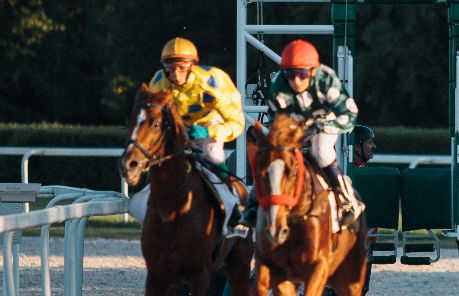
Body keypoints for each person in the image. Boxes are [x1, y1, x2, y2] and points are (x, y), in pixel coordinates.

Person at [133, 37, 246, 235]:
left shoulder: (214, 81)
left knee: (212, 155)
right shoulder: (159, 82)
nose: (176, 74)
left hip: (211, 123)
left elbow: (237, 123)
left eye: (181, 68)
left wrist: (208, 132)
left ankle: (235, 209)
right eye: (170, 68)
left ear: (192, 66)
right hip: (176, 125)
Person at [266, 39, 363, 228]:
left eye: (301, 74)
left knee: (321, 151)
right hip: (295, 123)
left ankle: (347, 201)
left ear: (312, 71)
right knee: (274, 157)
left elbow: (350, 115)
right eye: (290, 74)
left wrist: (322, 126)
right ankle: (254, 204)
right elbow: (276, 121)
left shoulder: (326, 80)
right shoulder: (277, 86)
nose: (296, 81)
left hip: (325, 121)